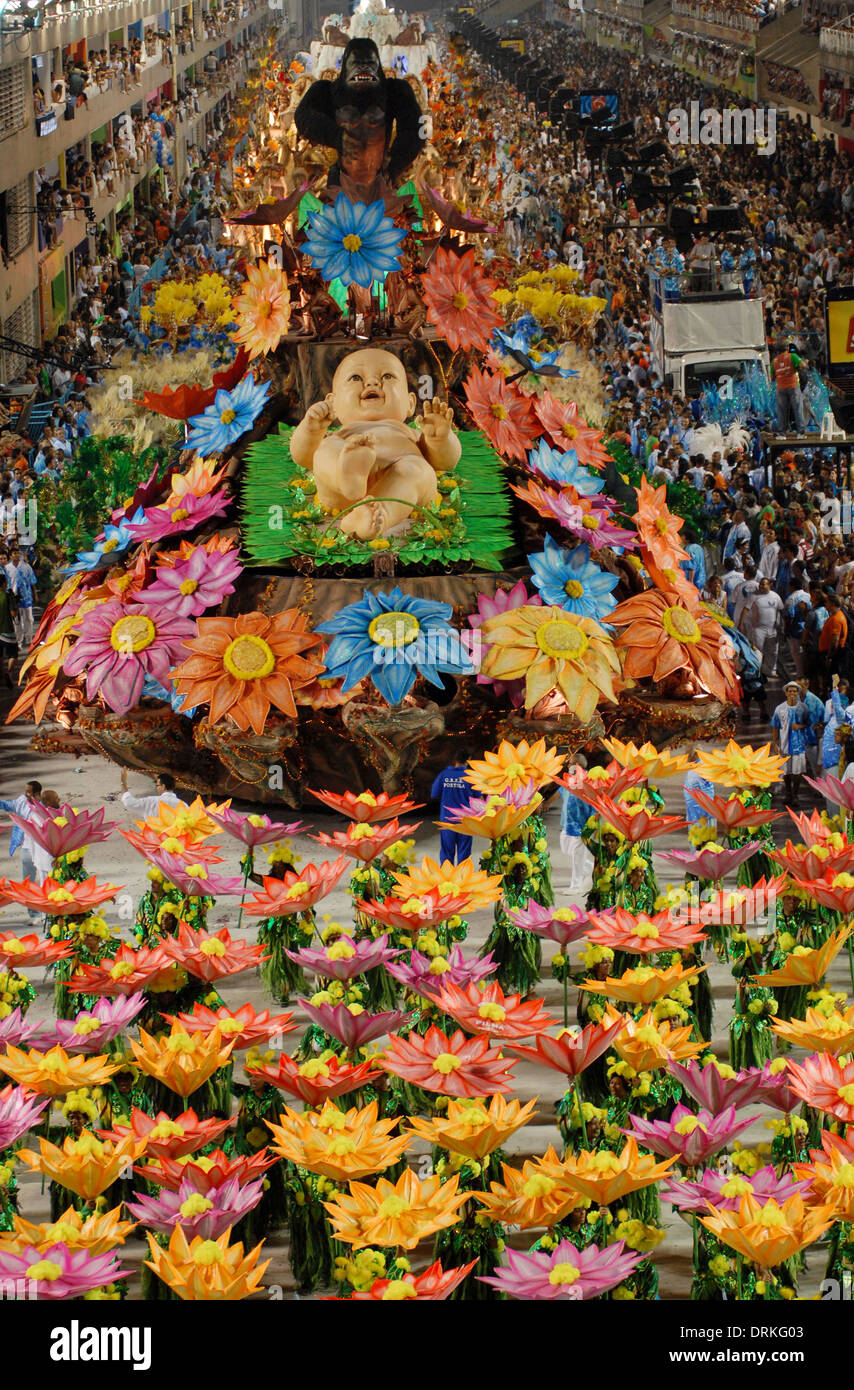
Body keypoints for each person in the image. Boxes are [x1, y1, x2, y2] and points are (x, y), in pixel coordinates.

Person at [0, 780, 46, 921]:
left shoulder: (44, 808)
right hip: (26, 848)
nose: (26, 794)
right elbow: (7, 805)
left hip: (42, 849)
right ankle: (34, 914)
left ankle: (47, 913)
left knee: (46, 881)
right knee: (28, 883)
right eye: (25, 791)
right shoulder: (21, 801)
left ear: (37, 794)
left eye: (29, 792)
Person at [770, 681, 810, 805]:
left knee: (797, 772)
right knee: (786, 771)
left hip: (799, 746)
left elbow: (809, 724)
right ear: (786, 693)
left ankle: (795, 795)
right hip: (784, 745)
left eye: (794, 691)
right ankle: (788, 794)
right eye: (790, 691)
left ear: (798, 693)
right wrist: (775, 743)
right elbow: (775, 726)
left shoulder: (803, 708)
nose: (792, 693)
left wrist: (800, 726)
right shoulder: (780, 709)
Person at [558, 755, 593, 892]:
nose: (568, 766)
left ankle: (576, 885)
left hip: (581, 824)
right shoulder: (570, 778)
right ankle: (593, 869)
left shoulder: (589, 780)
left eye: (570, 764)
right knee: (567, 850)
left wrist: (592, 819)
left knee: (578, 857)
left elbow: (596, 800)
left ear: (577, 764)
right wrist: (547, 802)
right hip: (566, 823)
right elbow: (561, 791)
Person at [431, 764, 474, 865]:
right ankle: (463, 877)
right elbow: (477, 795)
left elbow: (434, 794)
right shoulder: (470, 775)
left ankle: (447, 876)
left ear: (455, 761)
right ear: (467, 760)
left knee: (446, 850)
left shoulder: (444, 774)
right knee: (464, 851)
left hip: (447, 819)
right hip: (465, 820)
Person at [771, 337, 806, 435]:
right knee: (797, 408)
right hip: (793, 386)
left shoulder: (775, 360)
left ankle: (782, 433)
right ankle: (801, 432)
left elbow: (772, 376)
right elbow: (803, 365)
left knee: (782, 411)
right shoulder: (792, 356)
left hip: (781, 387)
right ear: (787, 348)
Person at [119, 770, 184, 819]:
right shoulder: (183, 805)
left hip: (153, 836)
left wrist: (123, 783)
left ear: (163, 786)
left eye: (157, 785)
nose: (156, 788)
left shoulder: (151, 801)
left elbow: (128, 801)